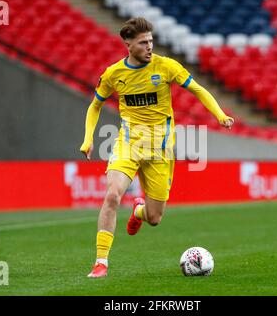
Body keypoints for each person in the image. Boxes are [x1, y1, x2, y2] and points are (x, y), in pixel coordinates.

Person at [80, 17, 234, 278]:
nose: (149, 46)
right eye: (143, 42)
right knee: (112, 195)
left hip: (160, 150)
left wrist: (219, 114)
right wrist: (88, 138)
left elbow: (197, 89)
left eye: (151, 41)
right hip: (128, 144)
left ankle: (139, 210)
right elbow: (95, 105)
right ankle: (101, 263)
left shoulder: (166, 66)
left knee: (154, 218)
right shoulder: (114, 74)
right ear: (128, 44)